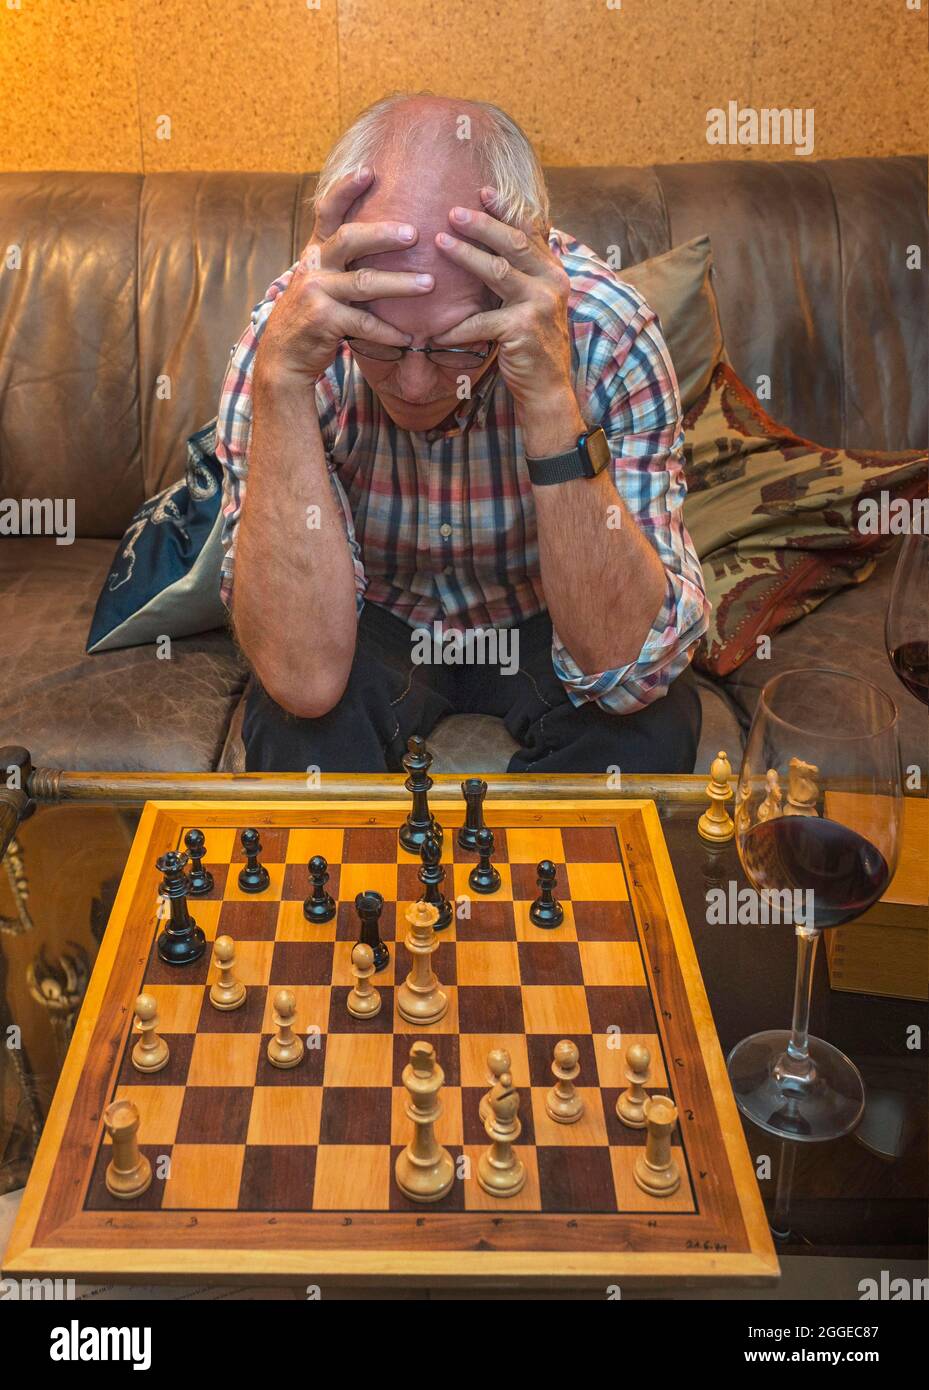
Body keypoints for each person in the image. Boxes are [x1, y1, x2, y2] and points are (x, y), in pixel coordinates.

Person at [216, 92, 709, 775]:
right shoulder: (289, 337)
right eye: (380, 342)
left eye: (455, 346)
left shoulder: (607, 331)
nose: (415, 388)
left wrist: (547, 396)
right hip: (373, 615)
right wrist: (282, 384)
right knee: (302, 741)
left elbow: (630, 669)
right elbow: (302, 680)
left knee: (649, 734)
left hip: (541, 612)